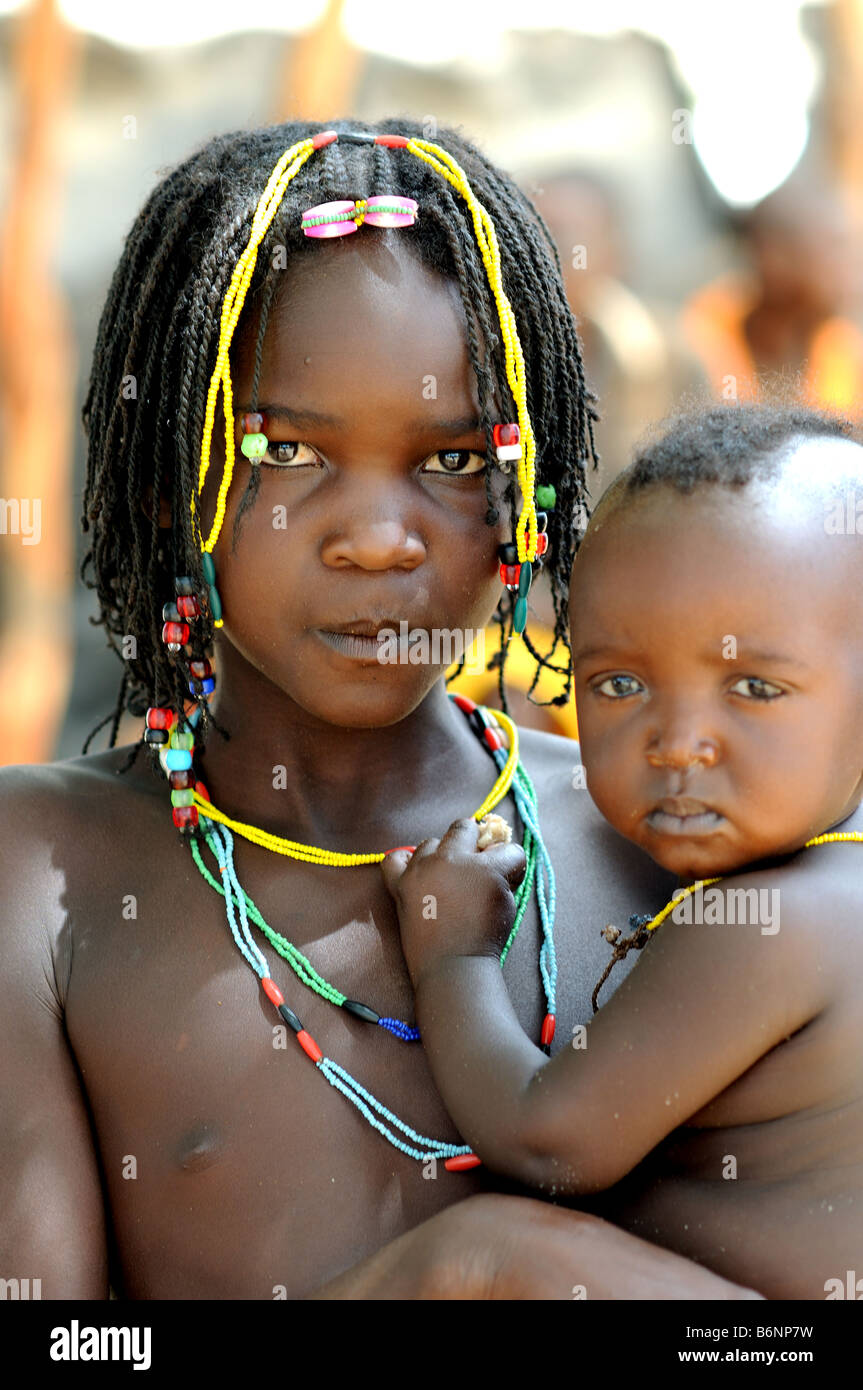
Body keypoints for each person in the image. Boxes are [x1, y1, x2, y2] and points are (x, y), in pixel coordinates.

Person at [0, 119, 760, 1301]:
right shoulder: (43, 877)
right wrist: (454, 1273)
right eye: (287, 449)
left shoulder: (659, 834)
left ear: (528, 491)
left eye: (452, 462)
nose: (377, 539)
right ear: (166, 483)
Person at [383, 401, 863, 1301]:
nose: (678, 742)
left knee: (485, 1250)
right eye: (621, 683)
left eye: (754, 687)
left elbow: (549, 1143)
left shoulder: (770, 922)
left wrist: (454, 955)